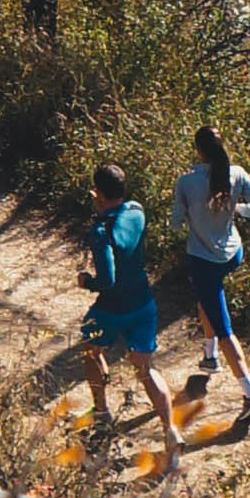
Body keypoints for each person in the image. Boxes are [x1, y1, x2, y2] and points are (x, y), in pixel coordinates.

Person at [168, 119, 250, 420]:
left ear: (198, 151)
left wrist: (187, 212)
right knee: (208, 299)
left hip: (203, 260)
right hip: (232, 254)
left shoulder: (186, 180)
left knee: (225, 329)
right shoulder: (236, 173)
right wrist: (236, 209)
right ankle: (209, 357)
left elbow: (175, 223)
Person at [76, 164, 178, 449]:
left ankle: (101, 412)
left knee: (89, 346)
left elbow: (108, 280)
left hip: (111, 311)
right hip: (143, 305)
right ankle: (170, 430)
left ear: (97, 192)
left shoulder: (100, 232)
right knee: (146, 369)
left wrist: (88, 282)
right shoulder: (137, 210)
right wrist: (102, 211)